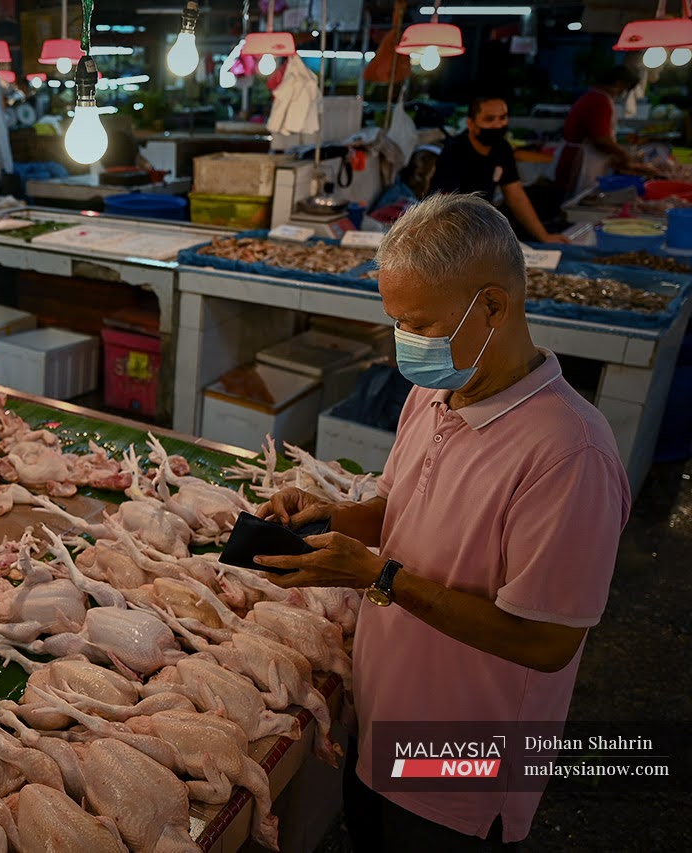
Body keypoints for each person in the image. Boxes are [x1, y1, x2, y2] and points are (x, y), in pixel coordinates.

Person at [257, 193, 629, 850]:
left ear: (493, 307)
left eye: (420, 323)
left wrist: (379, 577)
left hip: (465, 762)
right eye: (397, 322)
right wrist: (333, 515)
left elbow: (547, 642)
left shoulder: (570, 453)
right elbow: (400, 509)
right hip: (384, 719)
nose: (405, 342)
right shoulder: (433, 393)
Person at [429, 96, 569, 245]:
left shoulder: (502, 148)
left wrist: (544, 236)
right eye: (489, 119)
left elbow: (516, 196)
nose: (498, 125)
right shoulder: (455, 152)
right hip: (452, 232)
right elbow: (444, 205)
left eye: (502, 118)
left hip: (480, 227)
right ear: (471, 123)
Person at [555, 64, 654, 198]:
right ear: (619, 83)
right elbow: (601, 139)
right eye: (624, 89)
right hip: (582, 161)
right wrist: (624, 155)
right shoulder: (599, 100)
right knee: (579, 199)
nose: (622, 94)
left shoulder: (594, 96)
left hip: (583, 156)